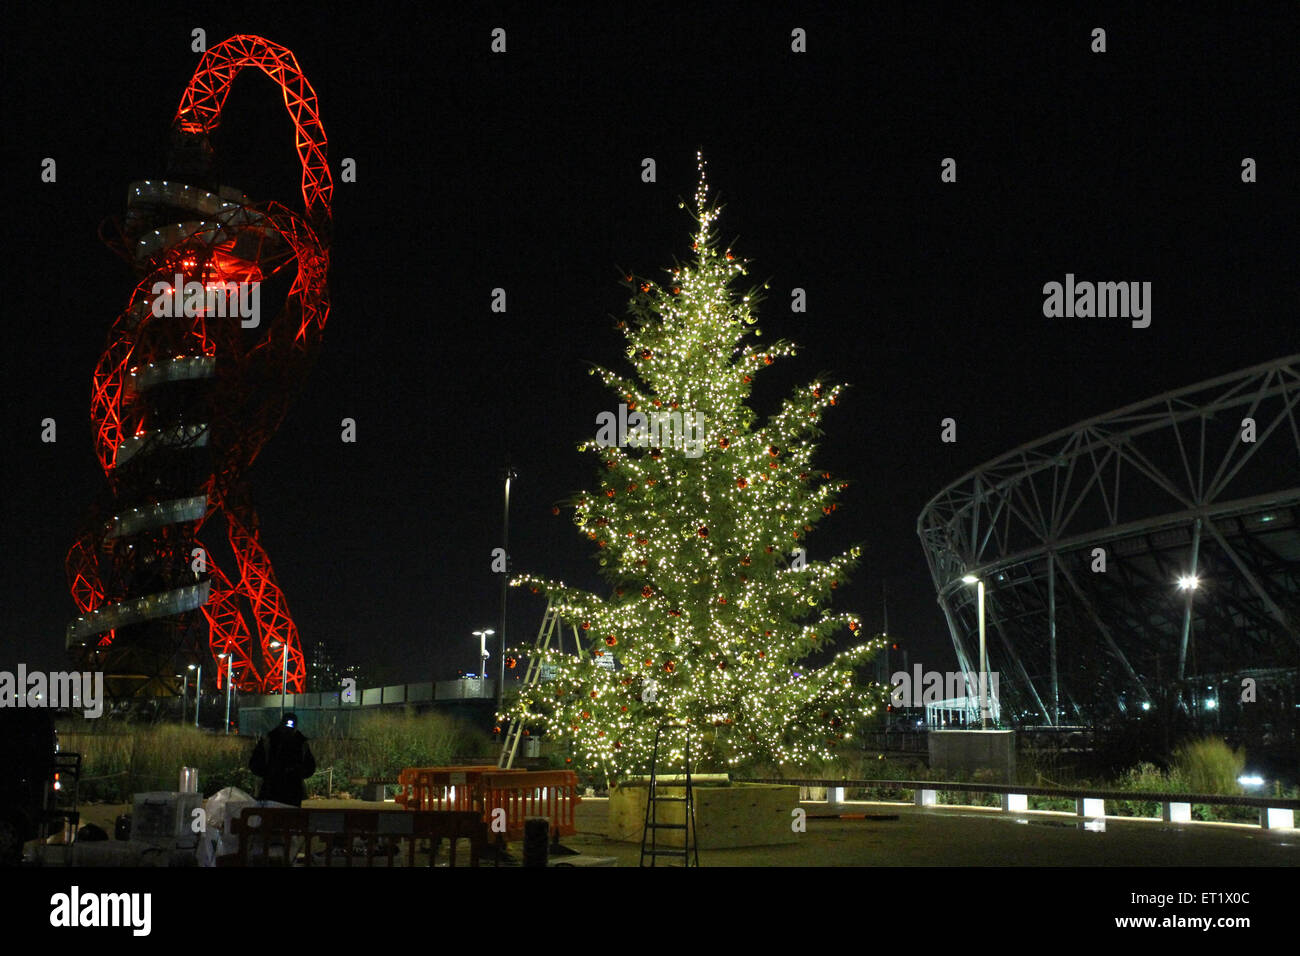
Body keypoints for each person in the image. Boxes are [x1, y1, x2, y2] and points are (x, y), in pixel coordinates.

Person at [249, 713, 316, 807]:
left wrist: (269, 773)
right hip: (289, 792)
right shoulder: (300, 742)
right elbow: (310, 767)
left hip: (273, 790)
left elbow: (255, 765)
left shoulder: (269, 740)